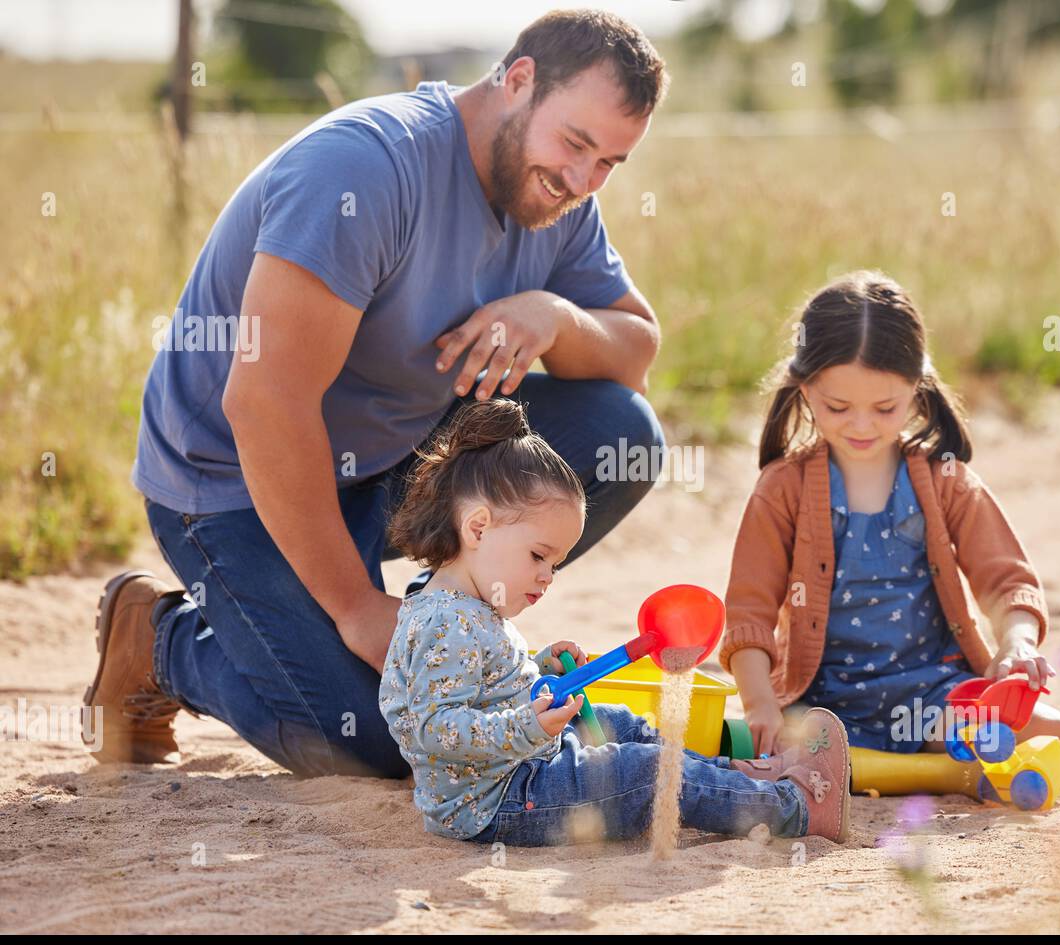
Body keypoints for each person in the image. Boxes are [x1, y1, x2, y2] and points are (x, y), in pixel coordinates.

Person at [86, 10, 670, 776]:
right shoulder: (363, 170)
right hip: (235, 479)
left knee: (622, 433)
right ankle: (160, 638)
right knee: (380, 738)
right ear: (518, 79)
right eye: (575, 144)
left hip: (393, 459)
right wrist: (360, 612)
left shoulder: (561, 201)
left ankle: (438, 630)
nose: (583, 180)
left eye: (610, 164)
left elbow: (636, 349)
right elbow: (263, 406)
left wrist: (553, 317)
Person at [378, 399, 852, 846]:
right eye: (538, 556)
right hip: (499, 800)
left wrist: (540, 668)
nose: (546, 577)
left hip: (521, 765)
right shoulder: (448, 620)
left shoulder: (465, 604)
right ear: (478, 528)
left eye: (556, 564)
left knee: (620, 724)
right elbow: (436, 730)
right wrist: (529, 725)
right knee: (643, 772)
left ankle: (744, 775)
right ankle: (797, 808)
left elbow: (481, 685)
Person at [718, 270, 1060, 770]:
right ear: (804, 389)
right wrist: (760, 704)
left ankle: (938, 760)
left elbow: (1006, 579)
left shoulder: (944, 478)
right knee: (778, 753)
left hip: (935, 695)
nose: (862, 425)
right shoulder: (783, 488)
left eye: (885, 407)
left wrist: (1016, 643)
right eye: (839, 406)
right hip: (821, 706)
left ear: (917, 388)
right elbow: (749, 614)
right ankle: (933, 769)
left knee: (1058, 736)